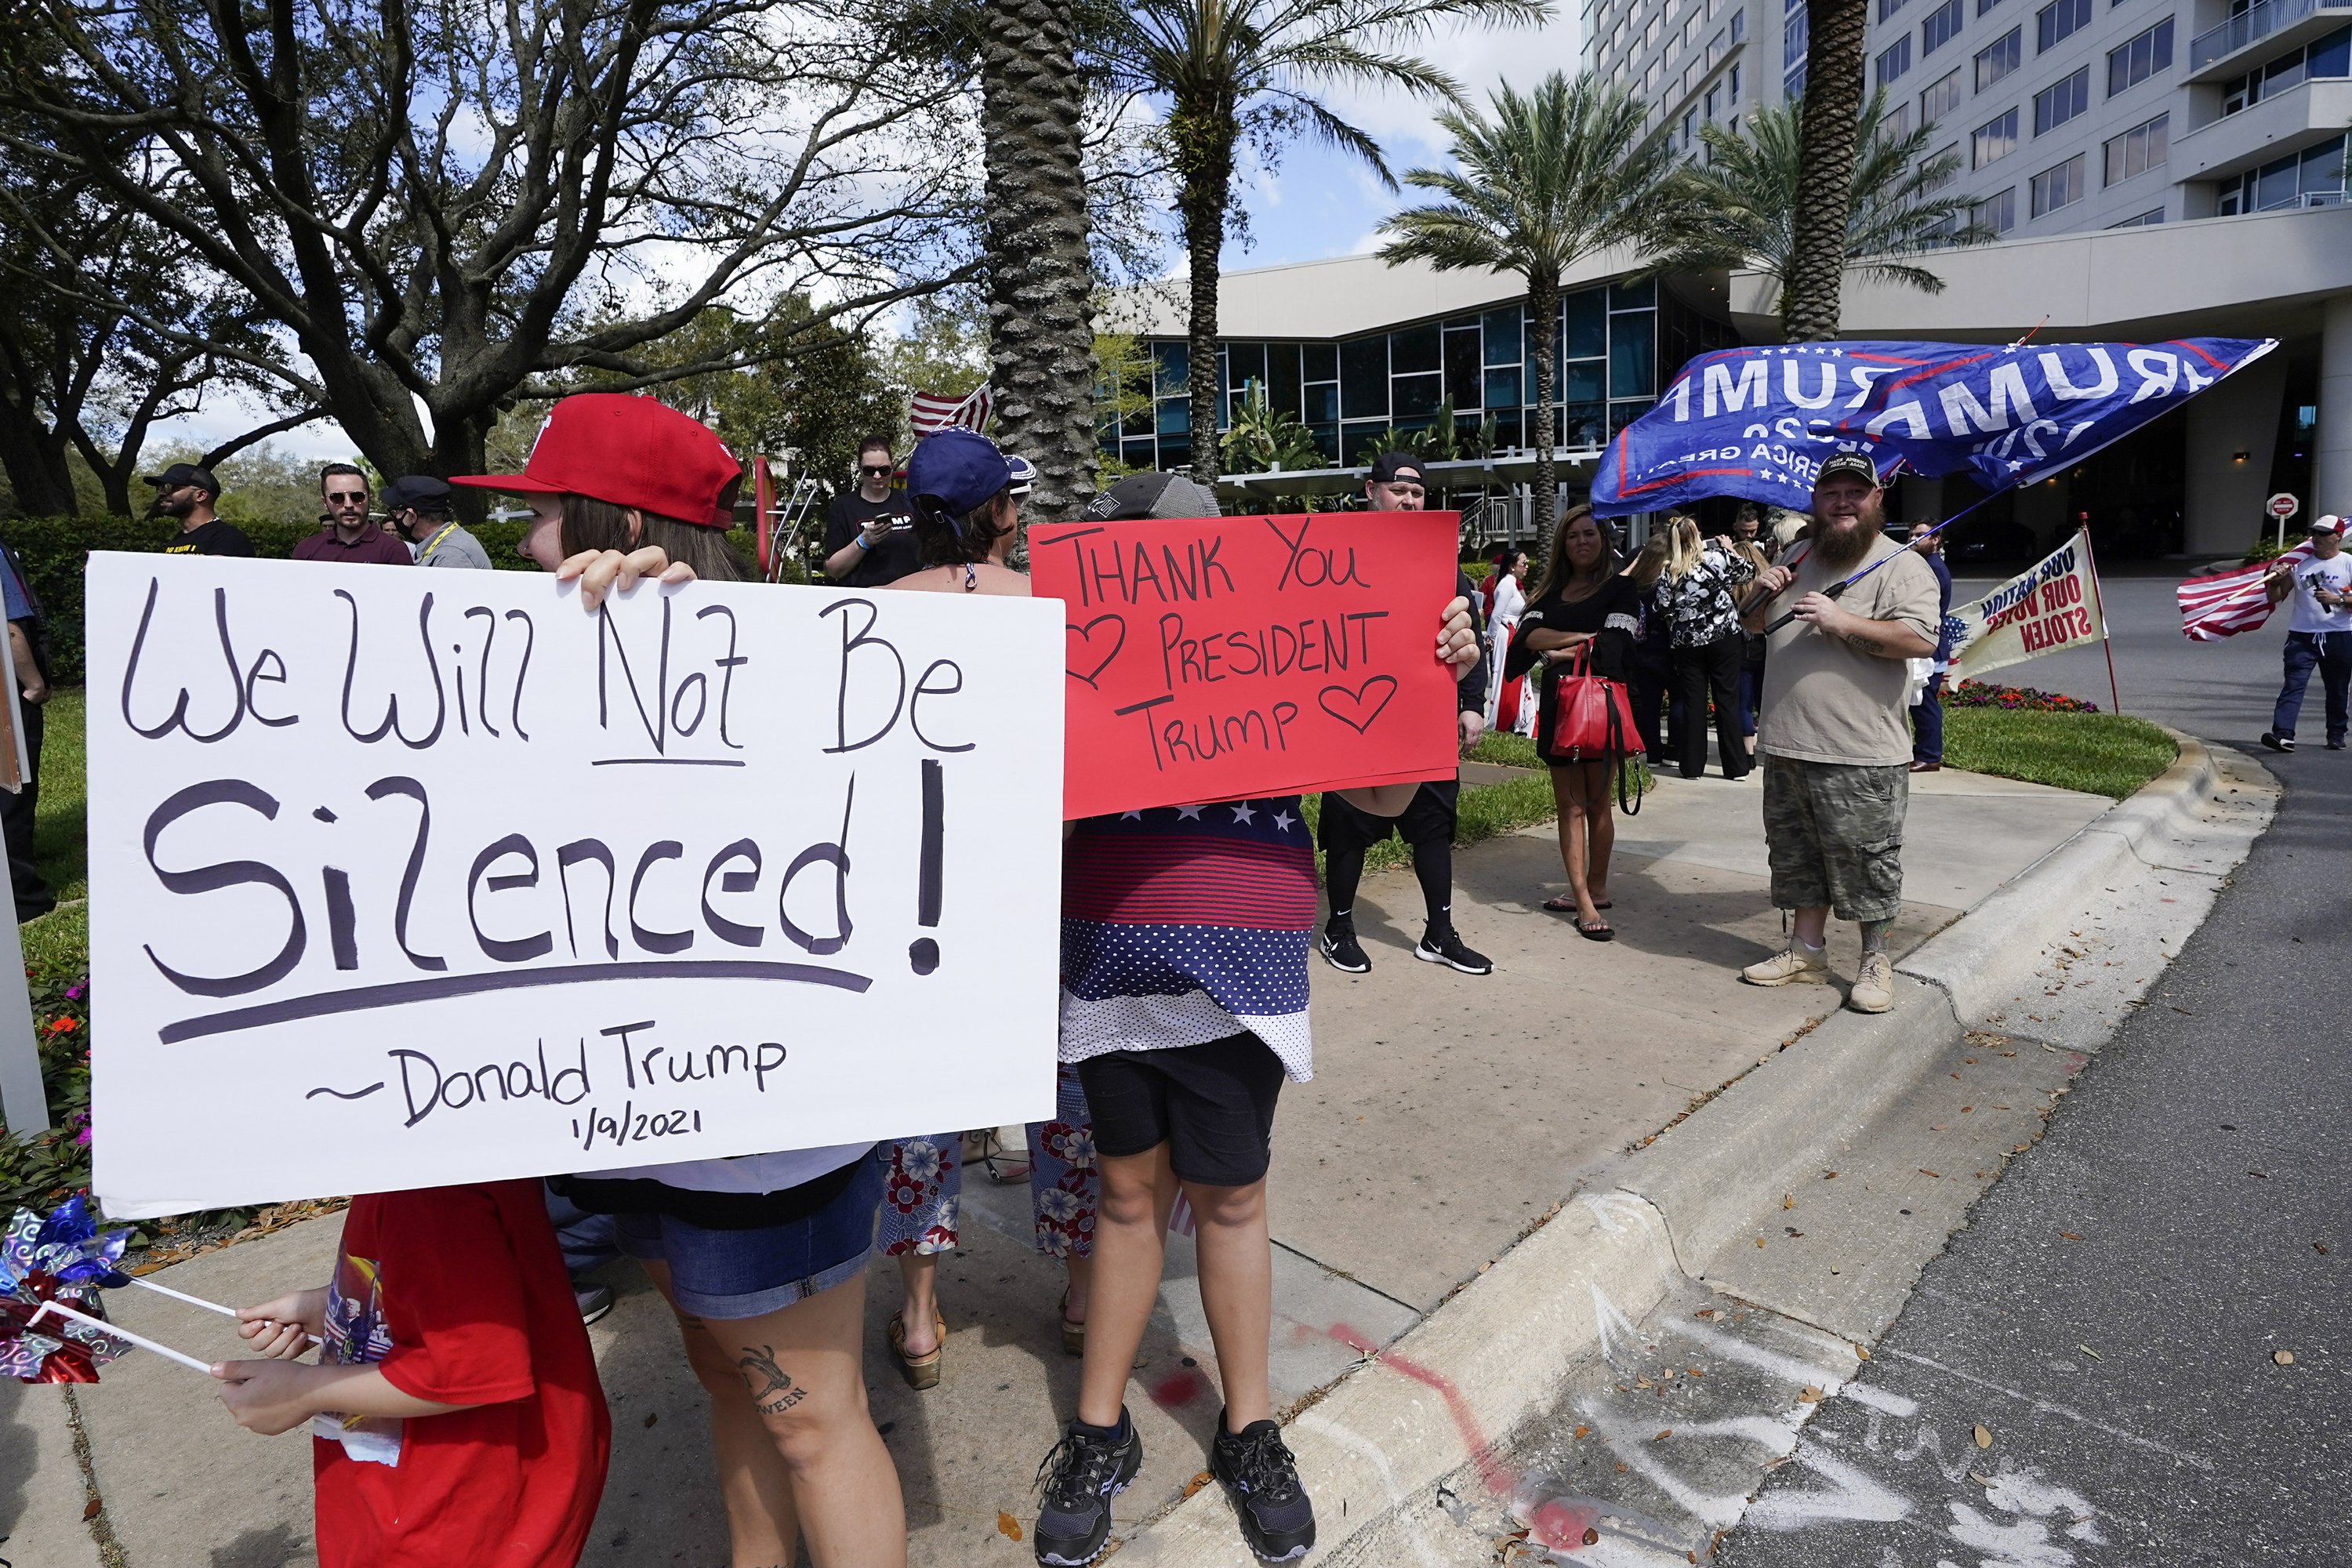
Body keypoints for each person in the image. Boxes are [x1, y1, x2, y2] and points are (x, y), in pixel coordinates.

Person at [453, 391, 908, 1568]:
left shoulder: (769, 672)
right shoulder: (538, 673)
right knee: (727, 1382)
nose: (525, 540)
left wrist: (697, 641)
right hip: (634, 1122)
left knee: (813, 1419)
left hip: (764, 1145)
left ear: (611, 519)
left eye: (547, 513)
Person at [1031, 467, 1481, 1568]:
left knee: (1230, 1199)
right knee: (1127, 1193)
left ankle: (1249, 1427)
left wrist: (1427, 677)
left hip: (1241, 960)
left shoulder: (1283, 635)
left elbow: (1376, 800)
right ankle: (1098, 1429)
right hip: (1110, 957)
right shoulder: (1069, 648)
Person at [212, 1181, 609, 1568]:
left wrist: (300, 1392)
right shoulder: (424, 1173)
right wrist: (341, 1302)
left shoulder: (425, 1197)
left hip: (460, 1501)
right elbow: (465, 1281)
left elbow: (471, 1369)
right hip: (455, 1482)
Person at [1737, 454, 1940, 1014]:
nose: (1843, 501)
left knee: (1869, 862)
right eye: (1832, 492)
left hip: (1861, 751)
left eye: (1856, 491)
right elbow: (1754, 625)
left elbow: (1920, 641)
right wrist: (1759, 590)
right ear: (1816, 501)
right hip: (1787, 743)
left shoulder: (1900, 565)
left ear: (1878, 500)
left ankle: (1876, 960)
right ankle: (1806, 952)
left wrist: (1842, 622)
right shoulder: (1799, 553)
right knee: (1797, 859)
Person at [1317, 454, 1491, 978]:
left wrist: (1472, 704)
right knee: (1349, 829)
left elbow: (1470, 636)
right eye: (1399, 489)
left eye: (1418, 492)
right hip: (1356, 723)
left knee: (1434, 827)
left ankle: (1440, 933)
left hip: (1426, 725)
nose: (1411, 499)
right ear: (1372, 490)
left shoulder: (1443, 563)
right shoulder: (1341, 557)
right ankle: (1339, 928)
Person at [1507, 505, 1642, 941]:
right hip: (1562, 712)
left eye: (1590, 534)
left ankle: (1597, 889)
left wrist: (1558, 648)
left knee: (1598, 805)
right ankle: (1582, 899)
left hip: (1600, 707)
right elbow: (1522, 645)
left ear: (1603, 540)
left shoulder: (1621, 589)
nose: (1582, 542)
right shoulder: (1548, 592)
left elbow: (1616, 648)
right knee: (1570, 806)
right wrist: (1583, 639)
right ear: (1562, 545)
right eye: (1572, 536)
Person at [1661, 515, 1756, 781]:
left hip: (1687, 642)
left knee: (1694, 702)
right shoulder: (1717, 558)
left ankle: (1692, 767)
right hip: (1724, 637)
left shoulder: (1669, 569)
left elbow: (1661, 605)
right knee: (1727, 699)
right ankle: (1736, 767)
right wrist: (1728, 550)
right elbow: (1748, 572)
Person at [2260, 512, 2352, 753]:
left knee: (2338, 687)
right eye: (2314, 533)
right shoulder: (2300, 563)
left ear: (2338, 537)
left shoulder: (2348, 563)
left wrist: (2339, 599)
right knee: (2293, 684)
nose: (2316, 538)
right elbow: (2275, 597)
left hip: (2339, 635)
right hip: (2302, 635)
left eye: (2323, 533)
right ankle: (2283, 734)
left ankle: (2336, 732)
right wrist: (2274, 582)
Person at [0, 536, 52, 920]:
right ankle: (25, 902)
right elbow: (10, 627)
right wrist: (33, 684)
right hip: (6, 693)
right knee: (12, 792)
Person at [822, 434, 920, 587]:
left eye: (884, 470)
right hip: (865, 601)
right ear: (860, 468)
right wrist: (863, 542)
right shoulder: (843, 507)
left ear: (892, 466)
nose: (877, 476)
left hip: (909, 597)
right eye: (869, 470)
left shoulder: (910, 501)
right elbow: (833, 570)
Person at [294, 464, 413, 564]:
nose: (348, 504)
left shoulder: (395, 550)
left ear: (369, 498)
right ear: (325, 502)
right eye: (337, 497)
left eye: (357, 496)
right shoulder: (306, 550)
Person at [1907, 521, 1955, 771]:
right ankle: (1922, 750)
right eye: (1911, 534)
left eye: (1920, 535)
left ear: (1936, 540)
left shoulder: (1934, 569)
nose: (1913, 539)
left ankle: (1929, 755)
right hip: (1930, 645)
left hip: (1931, 648)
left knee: (1925, 704)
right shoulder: (1927, 566)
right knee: (1918, 703)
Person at [1623, 533, 1674, 764]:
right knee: (1679, 700)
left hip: (1641, 651)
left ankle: (1652, 753)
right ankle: (1674, 751)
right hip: (1669, 649)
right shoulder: (1670, 582)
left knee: (1648, 707)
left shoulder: (1635, 583)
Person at [1482, 545, 1536, 737]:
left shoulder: (1511, 584)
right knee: (1507, 680)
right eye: (1524, 563)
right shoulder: (1506, 584)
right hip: (1506, 635)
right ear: (1513, 566)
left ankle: (1515, 719)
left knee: (1515, 680)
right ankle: (1504, 720)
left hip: (1512, 635)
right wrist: (1492, 639)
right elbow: (1496, 616)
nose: (1527, 566)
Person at [382, 475, 493, 568]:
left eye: (397, 511)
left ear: (412, 515)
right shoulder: (446, 544)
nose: (395, 516)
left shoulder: (451, 557)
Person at [149, 463, 253, 556]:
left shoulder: (228, 538)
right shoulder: (176, 541)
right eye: (161, 488)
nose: (162, 493)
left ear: (201, 496)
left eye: (171, 487)